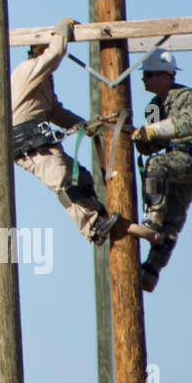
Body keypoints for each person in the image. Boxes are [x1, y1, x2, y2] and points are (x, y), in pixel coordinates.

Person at [10, 18, 120, 245]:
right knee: (62, 177)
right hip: (27, 144)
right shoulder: (29, 69)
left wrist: (83, 125)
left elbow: (55, 112)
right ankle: (93, 228)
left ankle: (98, 217)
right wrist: (63, 28)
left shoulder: (43, 79)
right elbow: (57, 52)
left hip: (37, 139)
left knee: (80, 177)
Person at [131, 50, 192, 292]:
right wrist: (140, 138)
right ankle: (151, 270)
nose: (143, 80)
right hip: (178, 165)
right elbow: (151, 144)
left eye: (148, 75)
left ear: (166, 76)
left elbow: (188, 124)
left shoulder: (188, 97)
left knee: (156, 166)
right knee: (173, 220)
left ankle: (152, 220)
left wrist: (153, 132)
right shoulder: (153, 107)